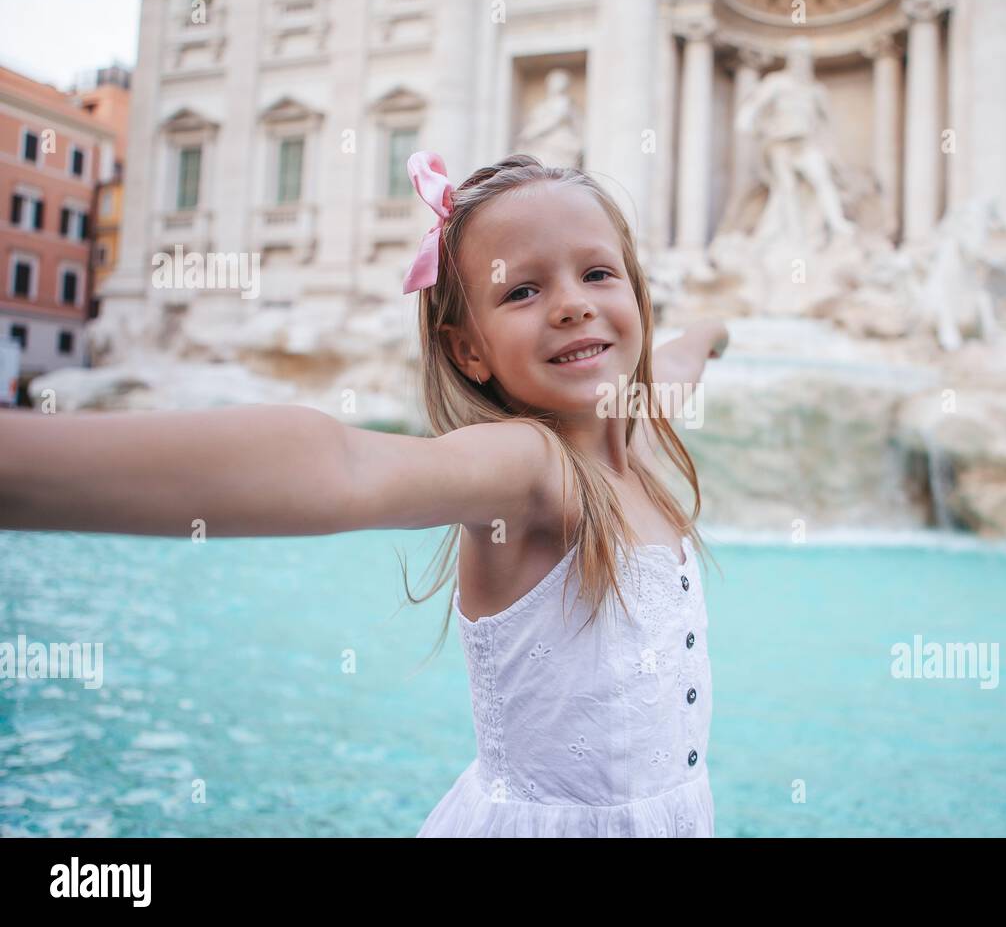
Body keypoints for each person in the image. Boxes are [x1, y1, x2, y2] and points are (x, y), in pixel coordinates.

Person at [0, 150, 730, 837]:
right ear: (467, 350)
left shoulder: (630, 431)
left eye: (599, 274)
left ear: (636, 291)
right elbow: (338, 465)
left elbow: (673, 365)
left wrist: (710, 330)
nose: (572, 305)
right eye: (523, 290)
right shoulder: (531, 469)